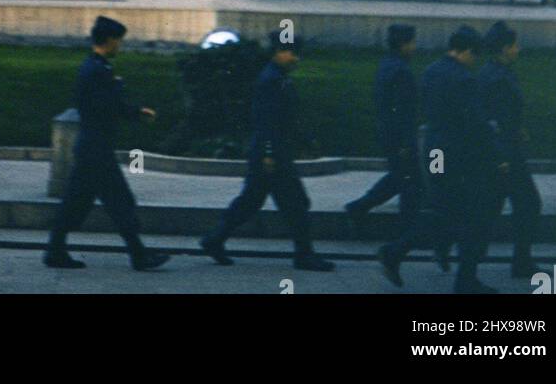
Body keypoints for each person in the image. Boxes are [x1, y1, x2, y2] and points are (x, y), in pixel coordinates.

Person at [379, 25, 504, 295]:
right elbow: (475, 123)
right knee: (470, 215)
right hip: (457, 154)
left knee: (443, 208)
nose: (475, 61)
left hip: (435, 150)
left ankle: (404, 252)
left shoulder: (432, 70)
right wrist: (496, 153)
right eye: (474, 55)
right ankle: (461, 278)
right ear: (466, 51)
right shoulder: (463, 79)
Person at [200, 31, 334, 272]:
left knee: (250, 202)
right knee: (296, 203)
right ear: (278, 53)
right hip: (272, 155)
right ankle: (304, 255)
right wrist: (270, 153)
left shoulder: (276, 77)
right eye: (292, 53)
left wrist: (304, 142)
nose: (296, 58)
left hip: (269, 153)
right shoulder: (272, 80)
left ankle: (214, 240)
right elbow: (266, 121)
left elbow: (286, 120)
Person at [44, 16, 168, 271]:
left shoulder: (95, 67)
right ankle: (139, 255)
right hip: (97, 150)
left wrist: (132, 108)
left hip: (91, 147)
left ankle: (55, 250)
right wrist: (128, 104)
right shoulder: (97, 71)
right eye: (119, 40)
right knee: (120, 201)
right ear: (110, 40)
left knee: (76, 203)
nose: (120, 45)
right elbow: (106, 107)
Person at [478, 21, 541, 278]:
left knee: (491, 209)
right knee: (528, 203)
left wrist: (518, 128)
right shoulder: (496, 78)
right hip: (505, 155)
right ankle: (521, 262)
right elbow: (491, 120)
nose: (518, 49)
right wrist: (501, 155)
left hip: (506, 151)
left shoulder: (497, 72)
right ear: (504, 48)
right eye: (515, 45)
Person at [345, 24, 421, 234]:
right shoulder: (402, 71)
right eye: (412, 42)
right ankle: (407, 229)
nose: (414, 47)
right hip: (399, 136)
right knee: (409, 181)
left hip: (387, 132)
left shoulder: (387, 66)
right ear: (404, 44)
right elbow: (404, 111)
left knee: (400, 178)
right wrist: (406, 142)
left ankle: (360, 207)